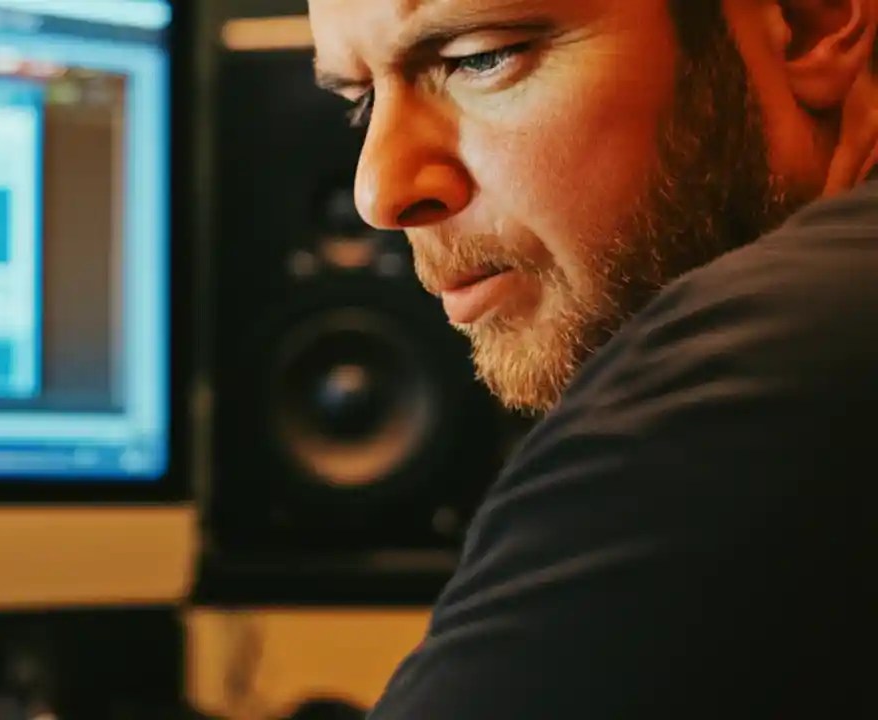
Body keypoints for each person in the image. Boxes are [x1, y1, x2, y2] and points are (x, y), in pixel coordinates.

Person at [307, 0, 878, 717]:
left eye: (482, 57)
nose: (379, 192)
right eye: (361, 104)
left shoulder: (748, 392)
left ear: (807, 24)